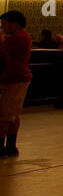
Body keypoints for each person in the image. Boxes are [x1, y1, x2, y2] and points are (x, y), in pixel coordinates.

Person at [0, 10, 33, 157]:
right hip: (20, 77)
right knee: (13, 113)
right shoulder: (23, 37)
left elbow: (4, 56)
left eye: (4, 23)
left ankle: (1, 148)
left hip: (13, 78)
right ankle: (11, 146)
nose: (3, 26)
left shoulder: (17, 38)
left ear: (14, 24)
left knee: (4, 115)